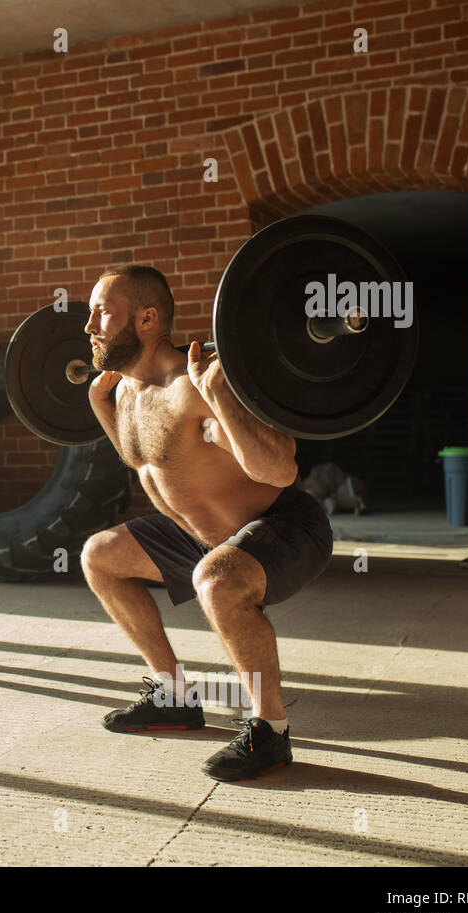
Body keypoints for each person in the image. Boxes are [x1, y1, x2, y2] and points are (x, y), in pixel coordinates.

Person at [78, 265, 333, 780]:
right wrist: (99, 405)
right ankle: (171, 694)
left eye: (102, 311)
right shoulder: (125, 392)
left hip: (282, 523)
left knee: (215, 581)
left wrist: (219, 393)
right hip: (201, 536)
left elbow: (280, 469)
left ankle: (270, 731)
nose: (89, 327)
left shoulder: (201, 381)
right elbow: (144, 461)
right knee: (99, 556)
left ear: (147, 318)